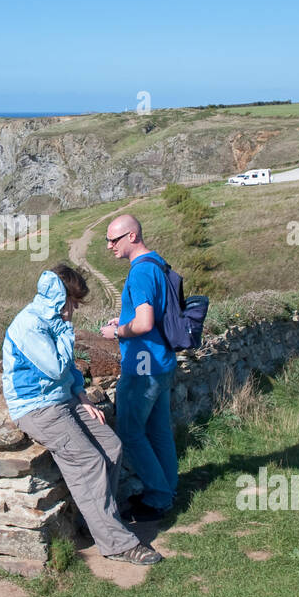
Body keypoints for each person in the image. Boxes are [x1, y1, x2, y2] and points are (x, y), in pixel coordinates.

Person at [3, 263, 162, 565]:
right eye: (73, 300)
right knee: (88, 461)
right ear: (61, 297)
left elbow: (70, 372)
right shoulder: (30, 325)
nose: (76, 306)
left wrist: (80, 395)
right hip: (35, 406)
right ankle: (116, 543)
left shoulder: (49, 319)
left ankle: (99, 524)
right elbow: (55, 368)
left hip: (63, 400)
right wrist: (65, 328)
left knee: (112, 447)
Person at [99, 215, 177, 523]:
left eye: (113, 240)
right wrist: (124, 320)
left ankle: (157, 498)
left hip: (143, 367)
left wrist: (117, 333)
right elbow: (150, 316)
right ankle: (168, 491)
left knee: (131, 433)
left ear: (132, 237)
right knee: (158, 432)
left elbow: (144, 324)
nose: (109, 246)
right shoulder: (157, 263)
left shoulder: (141, 272)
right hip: (161, 362)